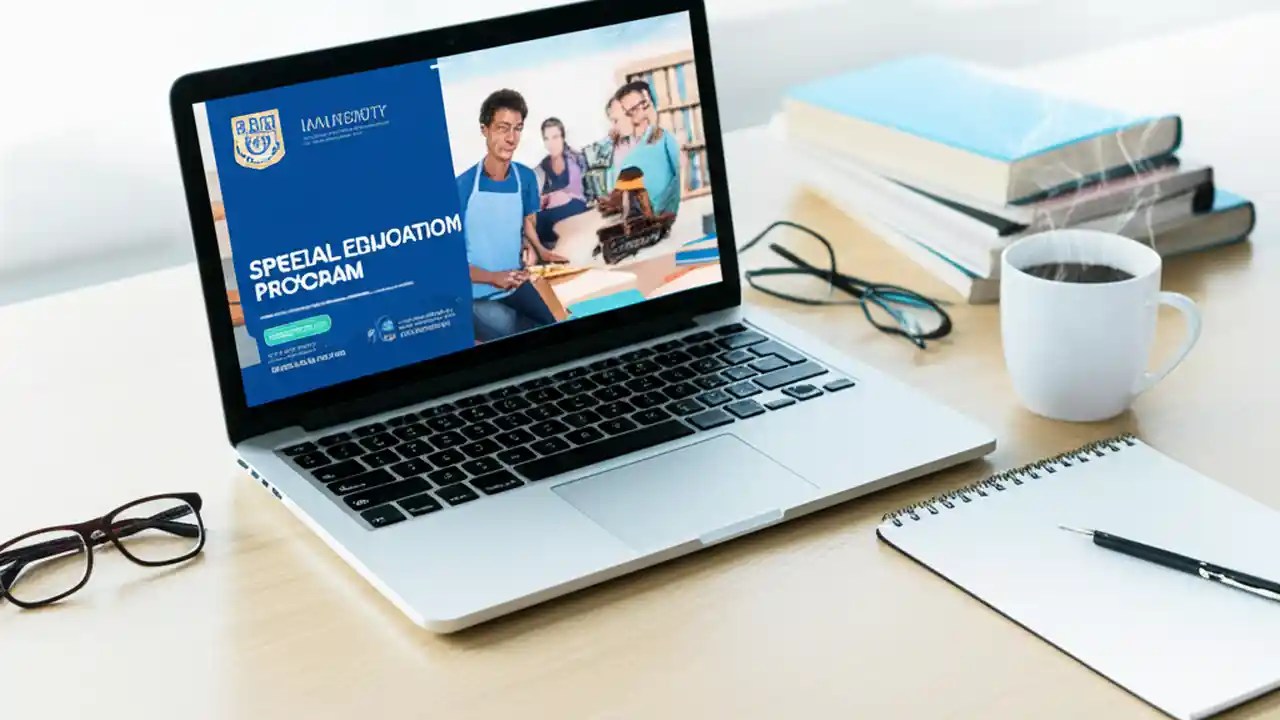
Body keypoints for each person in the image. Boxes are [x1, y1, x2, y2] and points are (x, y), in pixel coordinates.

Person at [456, 89, 569, 343]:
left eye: (517, 128)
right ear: (485, 130)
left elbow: (526, 226)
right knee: (528, 339)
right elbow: (450, 263)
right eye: (502, 128)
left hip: (515, 283)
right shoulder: (461, 188)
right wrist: (494, 277)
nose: (511, 138)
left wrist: (540, 251)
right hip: (478, 294)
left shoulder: (526, 178)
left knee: (558, 328)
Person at [614, 80, 682, 216]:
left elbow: (681, 180)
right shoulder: (629, 152)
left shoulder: (668, 138)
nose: (641, 113)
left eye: (644, 104)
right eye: (633, 110)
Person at [533, 117, 589, 248]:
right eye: (547, 139)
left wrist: (556, 197)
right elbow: (540, 192)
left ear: (563, 138)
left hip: (576, 204)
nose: (551, 143)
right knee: (534, 219)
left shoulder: (574, 158)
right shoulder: (544, 164)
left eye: (555, 137)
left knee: (573, 207)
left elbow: (577, 191)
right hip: (552, 207)